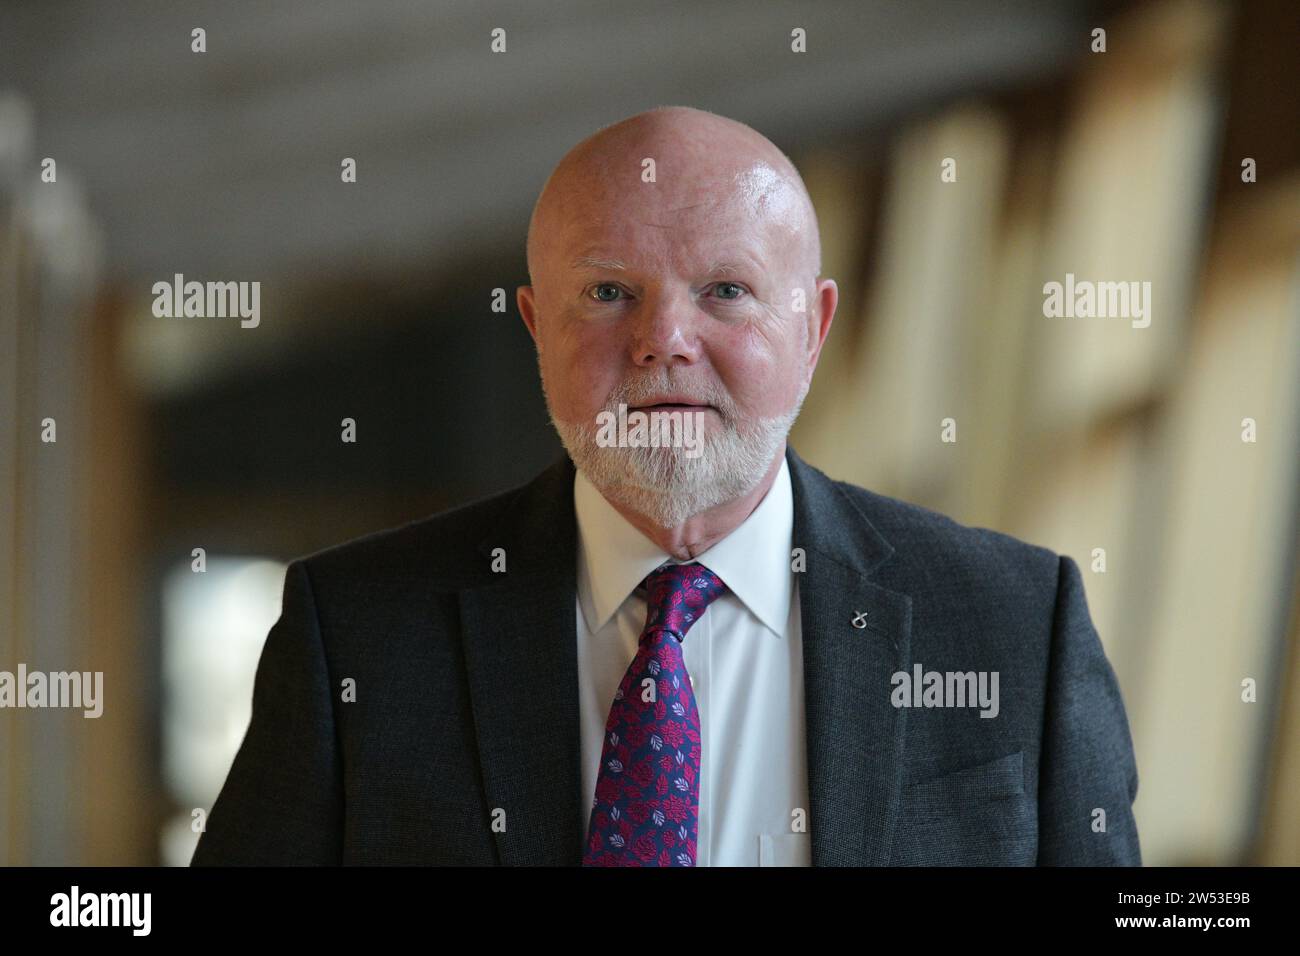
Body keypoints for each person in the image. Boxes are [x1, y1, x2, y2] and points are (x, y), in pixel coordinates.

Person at [191, 106, 1140, 866]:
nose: (664, 341)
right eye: (608, 293)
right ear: (535, 326)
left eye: (725, 291)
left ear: (812, 329)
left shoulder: (1015, 625)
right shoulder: (357, 631)